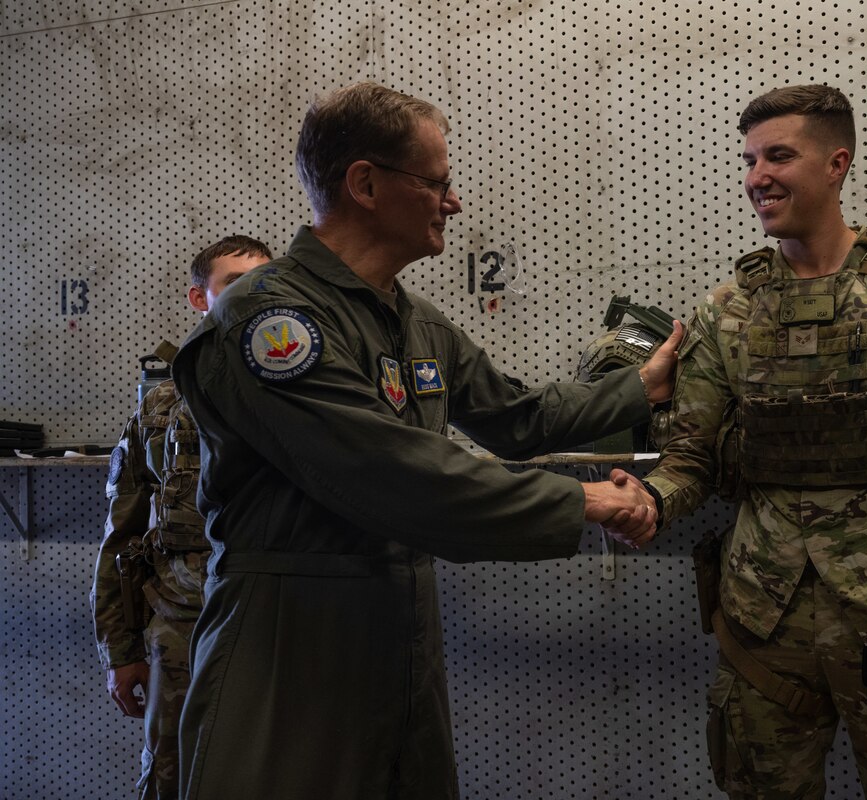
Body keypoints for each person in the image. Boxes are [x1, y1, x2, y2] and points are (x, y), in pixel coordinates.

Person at [170, 81, 681, 800]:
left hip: (401, 641)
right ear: (366, 184)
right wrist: (586, 501)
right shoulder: (270, 322)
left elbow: (517, 417)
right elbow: (393, 475)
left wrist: (638, 388)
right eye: (437, 182)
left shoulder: (416, 323)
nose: (454, 201)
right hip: (290, 647)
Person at [609, 85, 867, 798]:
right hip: (760, 630)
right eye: (748, 160)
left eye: (779, 155)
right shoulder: (728, 309)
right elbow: (693, 461)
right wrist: (648, 502)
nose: (756, 177)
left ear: (837, 164)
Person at [91, 236, 273, 799]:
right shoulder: (160, 405)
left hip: (277, 622)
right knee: (171, 778)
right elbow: (119, 534)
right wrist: (119, 652)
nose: (253, 299)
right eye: (234, 284)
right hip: (178, 629)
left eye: (264, 286)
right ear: (201, 297)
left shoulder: (303, 392)